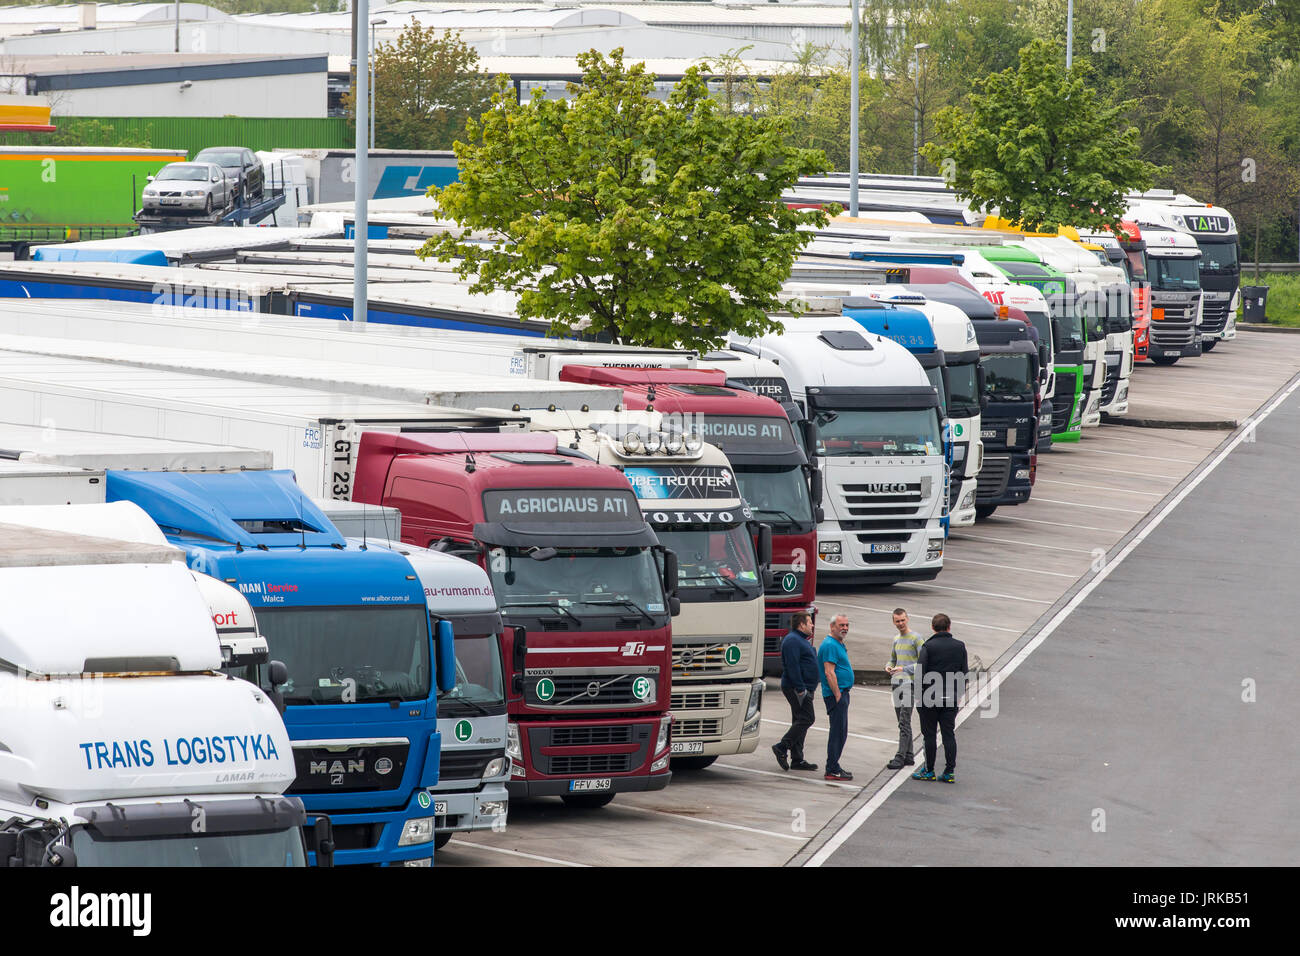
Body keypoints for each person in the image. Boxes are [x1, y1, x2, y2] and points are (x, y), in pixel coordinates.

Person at [912, 613, 968, 784]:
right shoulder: (960, 646)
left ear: (933, 628)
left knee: (929, 735)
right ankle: (949, 771)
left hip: (929, 697)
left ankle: (929, 770)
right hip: (950, 697)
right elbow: (964, 673)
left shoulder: (928, 647)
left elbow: (920, 673)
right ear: (949, 627)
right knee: (948, 734)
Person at [772, 612, 819, 772]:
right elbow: (792, 666)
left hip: (804, 688)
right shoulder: (792, 640)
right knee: (807, 718)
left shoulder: (800, 640)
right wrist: (800, 689)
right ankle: (781, 747)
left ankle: (797, 759)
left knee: (799, 721)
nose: (812, 625)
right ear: (801, 625)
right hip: (797, 688)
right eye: (809, 622)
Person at [816, 614, 854, 782]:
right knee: (837, 733)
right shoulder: (830, 645)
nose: (844, 628)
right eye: (841, 625)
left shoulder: (837, 643)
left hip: (841, 693)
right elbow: (828, 672)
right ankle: (832, 768)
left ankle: (834, 766)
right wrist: (838, 694)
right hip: (836, 695)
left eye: (846, 625)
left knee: (841, 732)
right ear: (832, 627)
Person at [884, 608, 922, 770]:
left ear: (908, 619)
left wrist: (903, 669)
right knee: (903, 721)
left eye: (902, 620)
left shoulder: (917, 638)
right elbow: (892, 659)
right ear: (893, 622)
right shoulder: (896, 639)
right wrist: (889, 667)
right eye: (897, 621)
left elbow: (923, 662)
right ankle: (908, 756)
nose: (900, 623)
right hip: (897, 684)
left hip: (909, 684)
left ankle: (900, 757)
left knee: (903, 722)